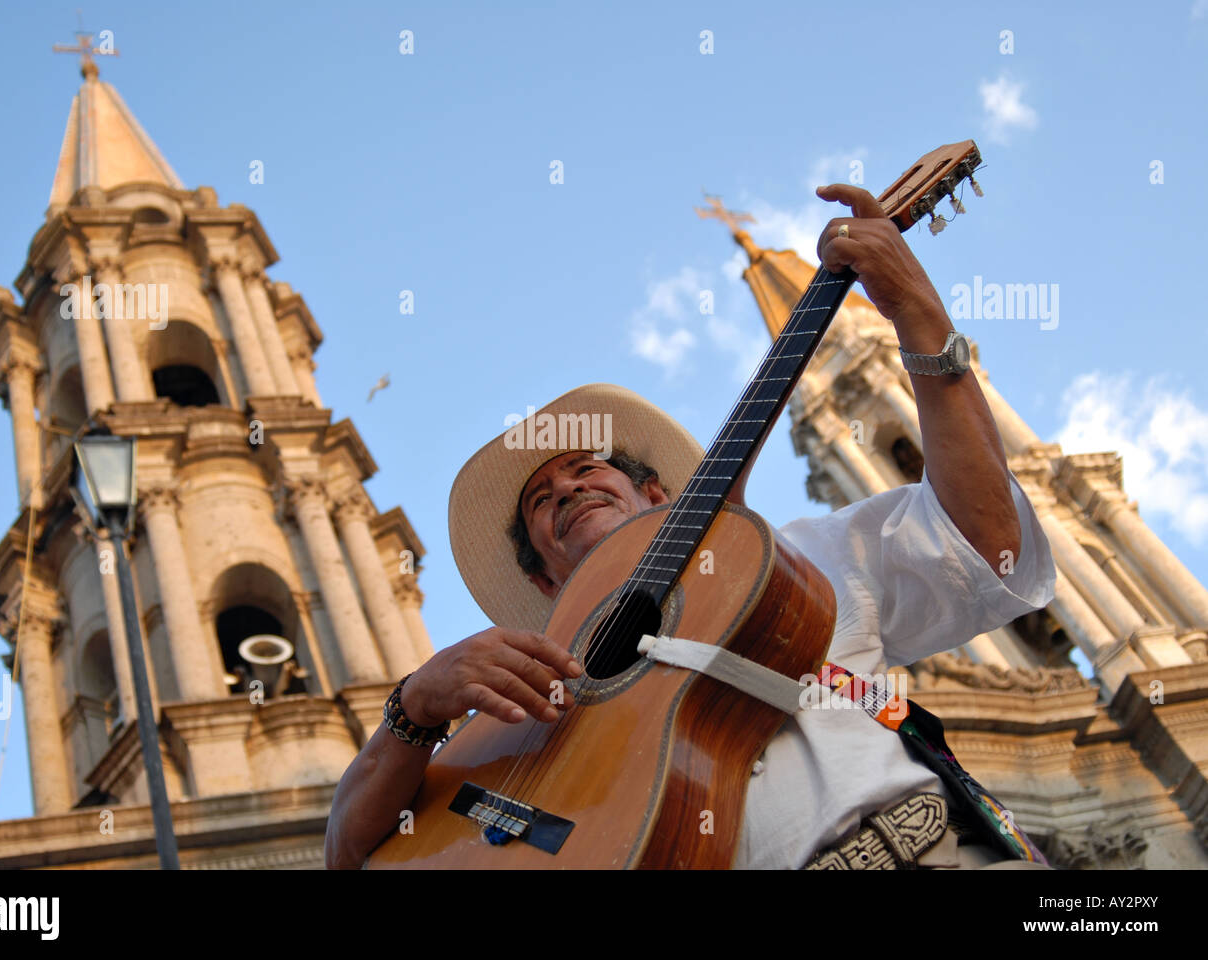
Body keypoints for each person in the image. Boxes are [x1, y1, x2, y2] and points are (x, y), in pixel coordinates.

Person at [324, 184, 1056, 870]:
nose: (567, 488)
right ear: (544, 577)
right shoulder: (526, 704)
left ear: (661, 494)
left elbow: (989, 548)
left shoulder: (798, 562)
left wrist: (920, 316)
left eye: (587, 468)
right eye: (542, 501)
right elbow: (353, 854)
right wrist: (413, 707)